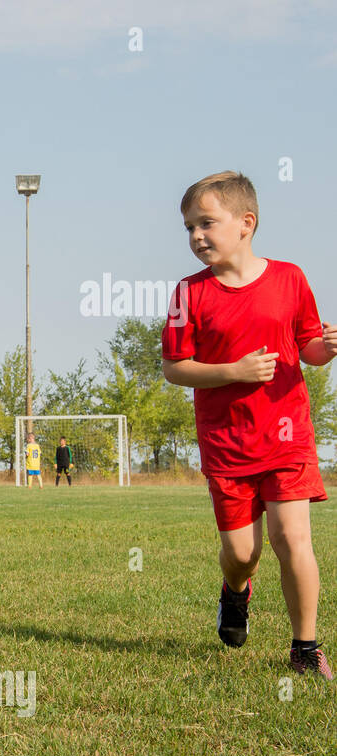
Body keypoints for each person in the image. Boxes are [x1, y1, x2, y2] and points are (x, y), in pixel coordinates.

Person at [162, 170, 334, 679]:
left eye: (206, 223)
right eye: (189, 227)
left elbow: (309, 347)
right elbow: (175, 367)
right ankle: (235, 593)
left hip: (287, 437)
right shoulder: (187, 294)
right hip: (227, 443)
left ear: (246, 223)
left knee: (291, 539)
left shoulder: (290, 279)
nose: (196, 236)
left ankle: (305, 648)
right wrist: (233, 372)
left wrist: (329, 347)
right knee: (242, 553)